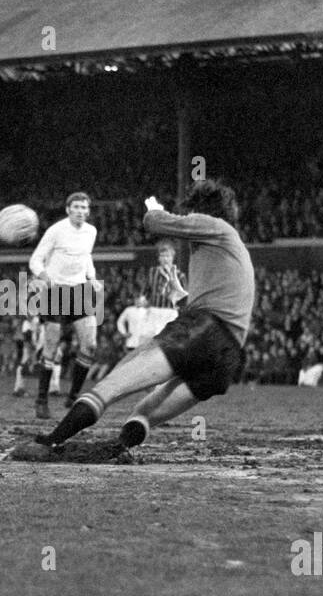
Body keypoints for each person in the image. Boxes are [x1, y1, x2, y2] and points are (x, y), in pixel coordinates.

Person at [16, 179, 253, 462]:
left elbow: (154, 223)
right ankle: (116, 450)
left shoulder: (216, 226)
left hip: (203, 331)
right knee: (144, 414)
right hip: (226, 360)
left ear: (203, 210)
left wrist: (154, 209)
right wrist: (180, 297)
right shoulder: (229, 249)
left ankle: (50, 442)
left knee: (110, 387)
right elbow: (225, 308)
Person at [28, 192, 103, 416]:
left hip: (79, 290)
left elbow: (86, 256)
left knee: (89, 345)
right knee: (51, 347)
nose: (81, 211)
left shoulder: (91, 231)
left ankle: (73, 397)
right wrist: (44, 277)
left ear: (88, 211)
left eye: (84, 207)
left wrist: (92, 277)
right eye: (76, 207)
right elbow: (35, 259)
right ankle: (41, 400)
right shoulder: (56, 230)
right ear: (68, 209)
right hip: (55, 290)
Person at [146, 238, 186, 334]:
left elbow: (184, 296)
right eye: (162, 256)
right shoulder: (153, 272)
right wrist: (143, 299)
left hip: (170, 312)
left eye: (167, 256)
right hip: (154, 311)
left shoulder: (180, 275)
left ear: (173, 257)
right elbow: (147, 290)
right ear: (159, 258)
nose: (165, 259)